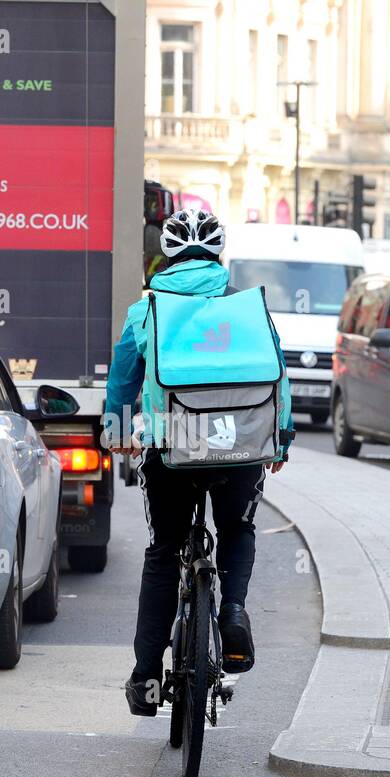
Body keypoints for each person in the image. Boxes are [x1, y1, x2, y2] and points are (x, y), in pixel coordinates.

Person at [104, 209, 293, 717]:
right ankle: (231, 609)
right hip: (241, 446)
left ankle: (146, 677)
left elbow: (123, 381)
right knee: (236, 527)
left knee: (164, 551)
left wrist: (119, 433)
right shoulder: (246, 306)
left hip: (173, 447)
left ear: (164, 256)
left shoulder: (146, 311)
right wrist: (282, 437)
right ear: (217, 255)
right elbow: (278, 374)